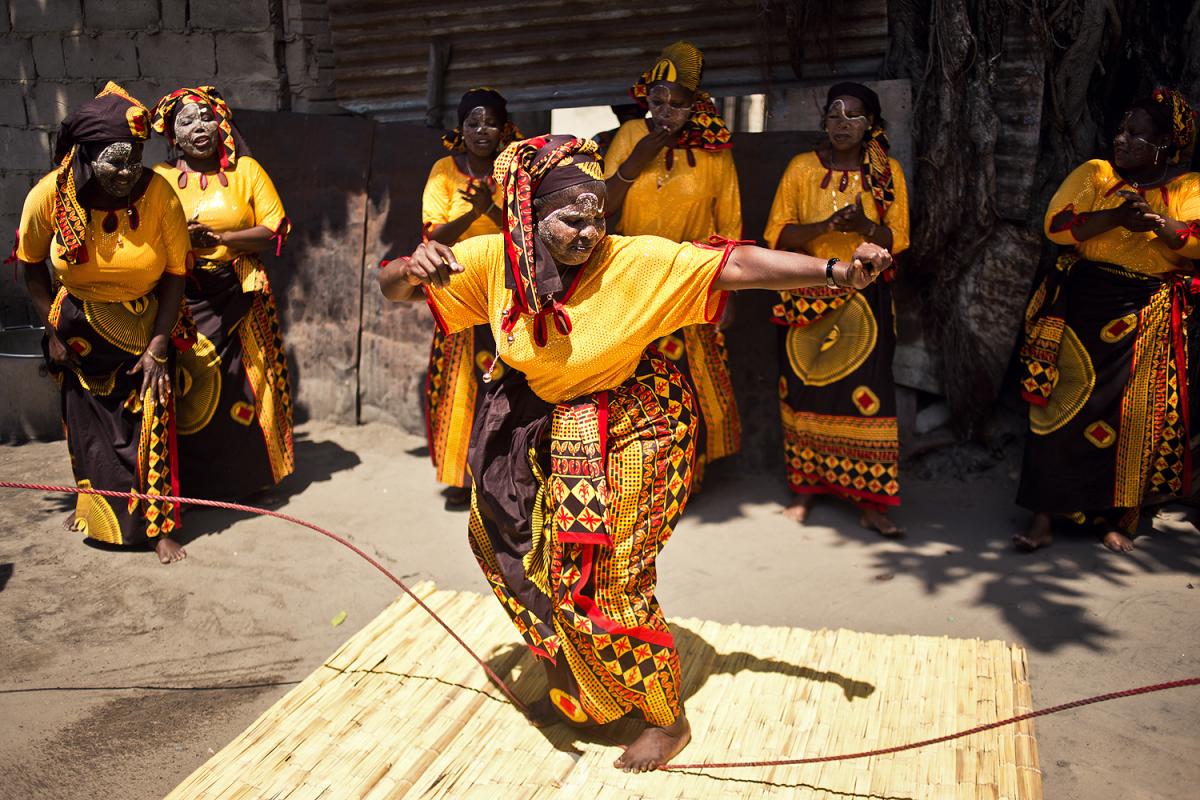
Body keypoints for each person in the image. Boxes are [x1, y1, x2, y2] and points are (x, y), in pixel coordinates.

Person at [378, 135, 891, 772]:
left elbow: (734, 266)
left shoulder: (632, 261)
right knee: (518, 554)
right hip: (548, 423)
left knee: (613, 581)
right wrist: (411, 266)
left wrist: (837, 272)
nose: (590, 231)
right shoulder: (493, 261)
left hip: (638, 423)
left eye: (598, 215)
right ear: (528, 215)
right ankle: (585, 689)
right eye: (572, 217)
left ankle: (664, 717)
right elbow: (394, 288)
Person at [13, 82, 193, 564]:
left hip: (145, 323)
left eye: (135, 158)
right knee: (88, 426)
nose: (127, 171)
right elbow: (30, 264)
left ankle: (159, 527)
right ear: (86, 155)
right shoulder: (50, 194)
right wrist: (51, 330)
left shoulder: (158, 193)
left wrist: (158, 344)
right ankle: (93, 509)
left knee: (151, 423)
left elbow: (176, 273)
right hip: (78, 328)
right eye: (116, 160)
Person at [1014, 89, 1200, 553]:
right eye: (1121, 129)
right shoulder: (1097, 174)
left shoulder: (1186, 187)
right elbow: (1057, 225)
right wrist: (1116, 216)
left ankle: (1111, 517)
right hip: (1083, 305)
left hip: (1146, 315)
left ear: (1165, 144)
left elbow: (1195, 241)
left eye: (1136, 133)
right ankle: (1043, 514)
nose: (1122, 139)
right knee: (1059, 406)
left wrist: (1155, 221)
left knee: (1133, 415)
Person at [763, 82, 910, 536]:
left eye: (853, 117)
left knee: (870, 395)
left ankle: (871, 501)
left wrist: (865, 225)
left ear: (872, 125)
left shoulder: (887, 174)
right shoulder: (801, 169)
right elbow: (777, 235)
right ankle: (806, 491)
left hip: (864, 299)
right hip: (806, 291)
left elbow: (899, 236)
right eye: (833, 115)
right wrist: (826, 226)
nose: (841, 125)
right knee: (802, 390)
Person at [603, 41, 743, 486]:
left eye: (676, 104)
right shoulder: (628, 137)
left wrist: (730, 291)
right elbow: (600, 207)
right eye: (657, 101)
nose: (665, 111)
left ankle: (685, 478)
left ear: (695, 106)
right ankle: (631, 475)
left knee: (687, 377)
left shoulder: (716, 153)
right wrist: (637, 158)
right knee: (630, 375)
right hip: (629, 279)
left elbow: (732, 226)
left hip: (693, 282)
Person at [150, 85, 294, 500]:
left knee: (244, 382)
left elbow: (273, 228)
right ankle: (192, 487)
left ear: (221, 123)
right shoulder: (159, 180)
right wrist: (182, 240)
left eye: (206, 117)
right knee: (188, 384)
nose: (200, 127)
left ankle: (247, 482)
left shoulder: (246, 172)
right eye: (187, 121)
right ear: (172, 134)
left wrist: (221, 236)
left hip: (239, 293)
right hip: (182, 297)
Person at [422, 88, 522, 507]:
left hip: (508, 289)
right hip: (458, 289)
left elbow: (524, 230)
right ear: (461, 129)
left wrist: (492, 210)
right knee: (458, 383)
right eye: (473, 123)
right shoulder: (445, 171)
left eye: (490, 123)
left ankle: (505, 475)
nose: (482, 131)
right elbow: (431, 235)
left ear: (504, 130)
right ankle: (461, 477)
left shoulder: (515, 171)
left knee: (510, 379)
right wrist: (473, 213)